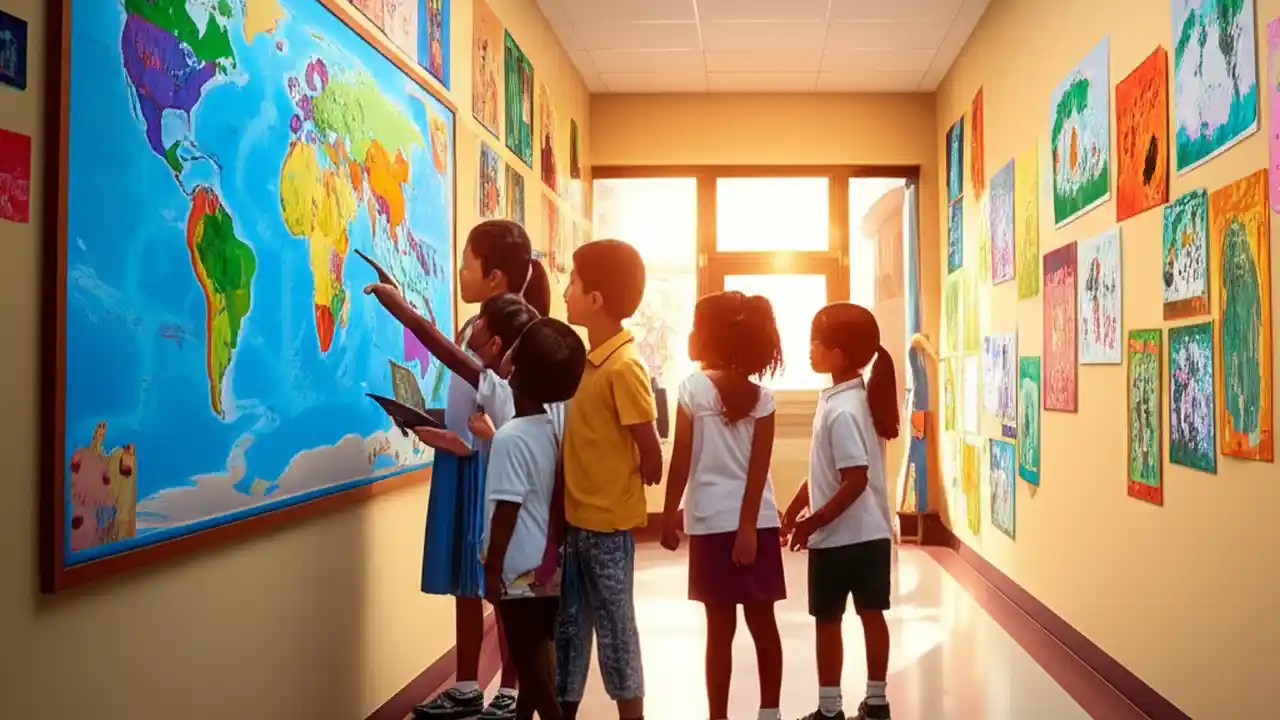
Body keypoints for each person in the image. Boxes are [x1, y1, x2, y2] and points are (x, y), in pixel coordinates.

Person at [367, 219, 549, 720]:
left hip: (489, 470)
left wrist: (463, 443)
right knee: (465, 585)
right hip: (463, 463)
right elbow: (466, 391)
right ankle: (468, 684)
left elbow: (506, 410)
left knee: (504, 585)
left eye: (467, 264)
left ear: (494, 277)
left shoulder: (518, 333)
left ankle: (511, 688)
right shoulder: (476, 324)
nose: (459, 272)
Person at [659, 291, 787, 720]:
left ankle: (719, 716)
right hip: (759, 524)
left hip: (713, 525)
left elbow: (680, 460)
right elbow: (759, 472)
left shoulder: (692, 389)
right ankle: (770, 713)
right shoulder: (763, 398)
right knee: (762, 624)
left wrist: (666, 516)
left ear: (709, 336)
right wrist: (750, 527)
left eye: (696, 327)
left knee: (720, 631)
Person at [557, 240, 662, 720]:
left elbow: (649, 442)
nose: (566, 290)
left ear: (595, 300)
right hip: (576, 522)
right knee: (570, 628)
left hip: (609, 530)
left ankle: (631, 714)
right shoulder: (586, 361)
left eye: (573, 282)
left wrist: (642, 472)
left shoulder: (623, 365)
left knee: (617, 629)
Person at [781, 303, 899, 720]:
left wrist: (813, 520)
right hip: (870, 534)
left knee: (829, 621)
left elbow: (854, 479)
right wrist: (799, 500)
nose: (810, 348)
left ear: (840, 355)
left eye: (818, 342)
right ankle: (877, 701)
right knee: (872, 614)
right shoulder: (849, 399)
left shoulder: (844, 409)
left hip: (841, 538)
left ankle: (830, 710)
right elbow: (829, 469)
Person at [482, 317, 586, 720]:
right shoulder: (550, 429)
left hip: (516, 575)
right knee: (535, 668)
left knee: (533, 673)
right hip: (548, 571)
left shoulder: (510, 437)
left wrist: (492, 571)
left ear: (518, 367)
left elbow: (506, 510)